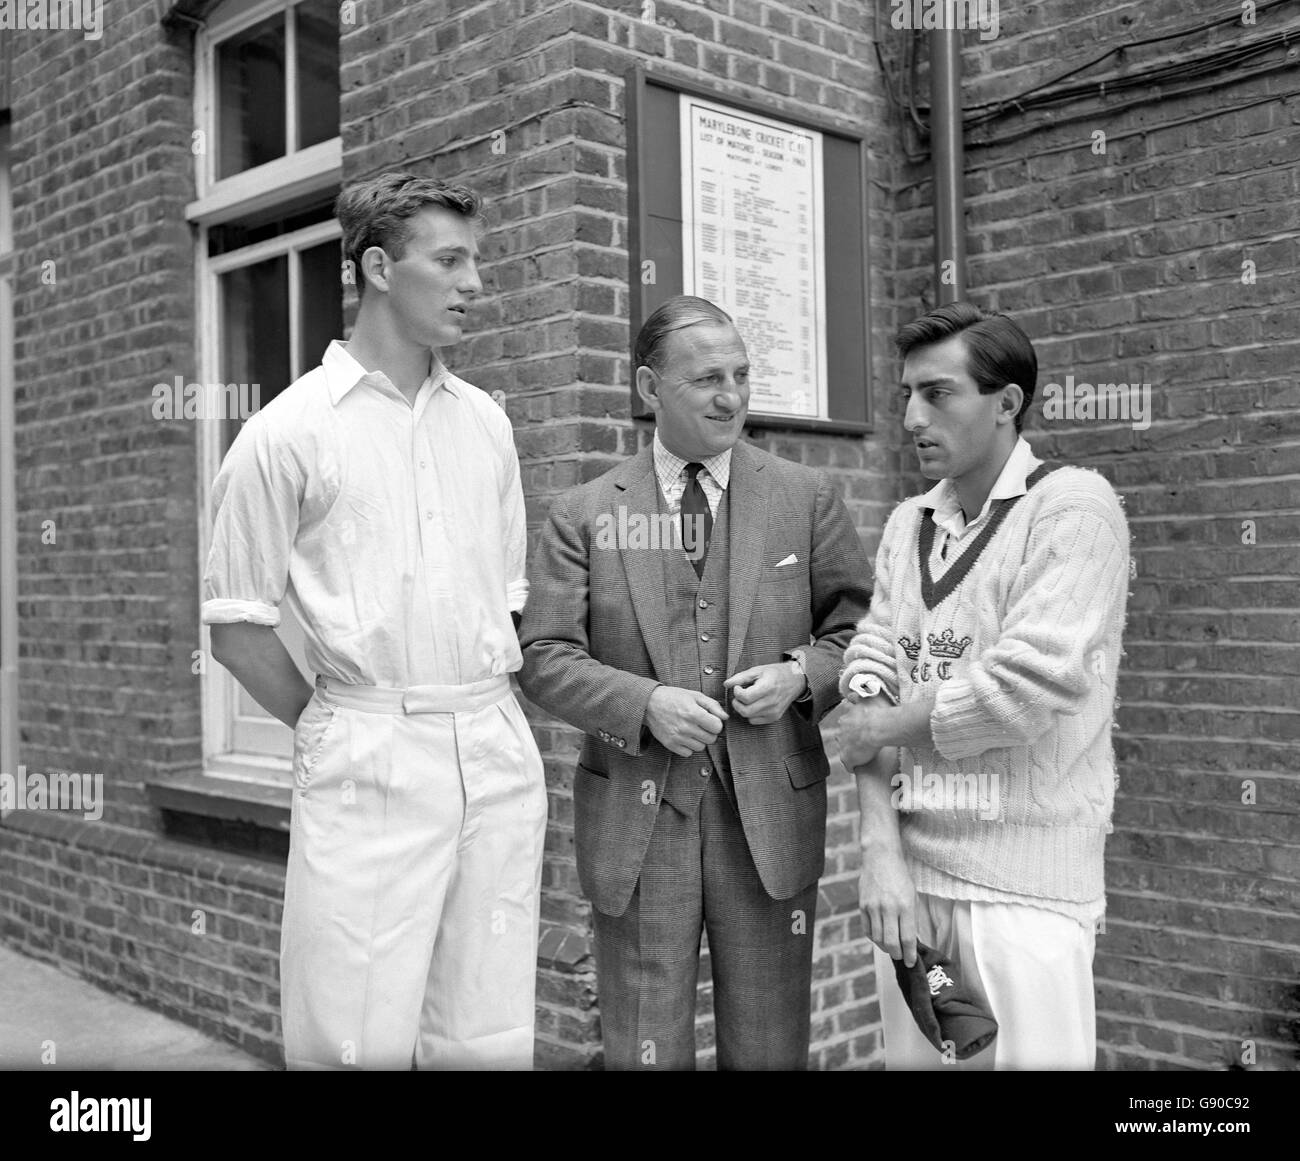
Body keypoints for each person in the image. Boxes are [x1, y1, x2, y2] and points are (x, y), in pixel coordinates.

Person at [202, 172, 547, 1071]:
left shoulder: (487, 427)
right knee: (351, 1031)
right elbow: (236, 627)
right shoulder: (286, 433)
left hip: (493, 738)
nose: (476, 281)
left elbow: (503, 599)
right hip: (367, 743)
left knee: (487, 1027)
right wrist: (333, 723)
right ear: (381, 268)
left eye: (477, 258)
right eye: (452, 259)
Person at [518, 295, 872, 1070]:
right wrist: (643, 703)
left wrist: (799, 675)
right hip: (639, 824)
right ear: (649, 389)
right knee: (644, 1048)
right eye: (708, 378)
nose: (732, 395)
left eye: (742, 375)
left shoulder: (803, 497)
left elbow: (861, 633)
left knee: (771, 1048)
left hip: (768, 821)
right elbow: (543, 653)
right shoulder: (584, 513)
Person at [837, 301, 1130, 1070]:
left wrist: (884, 726)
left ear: (1007, 404)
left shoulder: (1074, 507)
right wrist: (879, 849)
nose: (910, 416)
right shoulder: (907, 524)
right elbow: (868, 669)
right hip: (911, 894)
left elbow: (1028, 684)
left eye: (938, 394)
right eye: (907, 394)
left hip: (1022, 899)